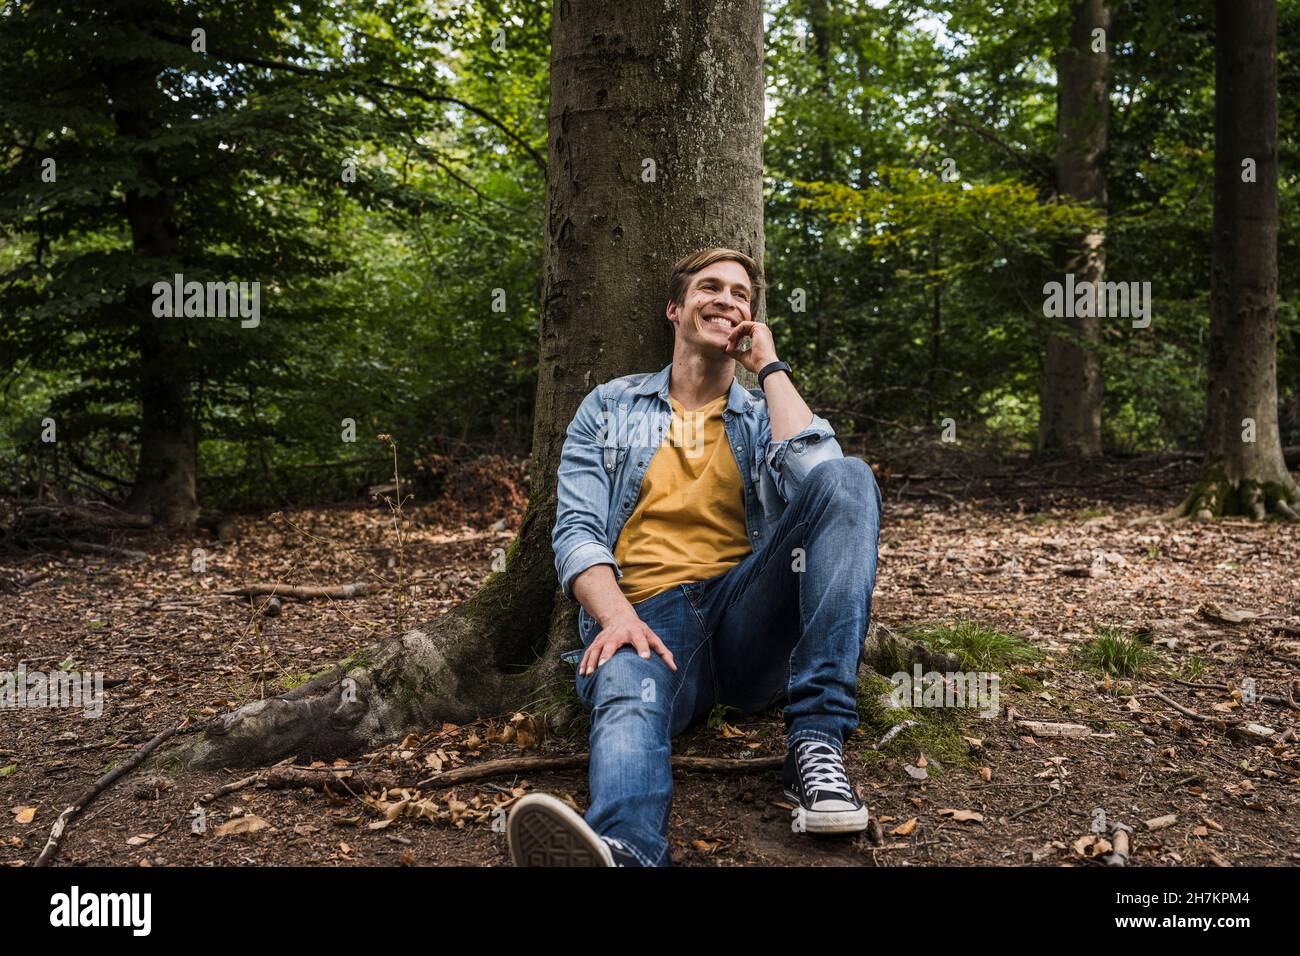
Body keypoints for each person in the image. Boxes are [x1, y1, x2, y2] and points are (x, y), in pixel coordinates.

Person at [507, 247, 882, 867]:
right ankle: (626, 849)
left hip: (745, 613)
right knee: (626, 682)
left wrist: (770, 366)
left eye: (741, 294)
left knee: (851, 476)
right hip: (648, 616)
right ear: (675, 308)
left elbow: (826, 482)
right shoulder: (611, 407)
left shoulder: (764, 418)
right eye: (711, 287)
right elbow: (575, 530)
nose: (728, 300)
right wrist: (616, 618)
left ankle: (815, 740)